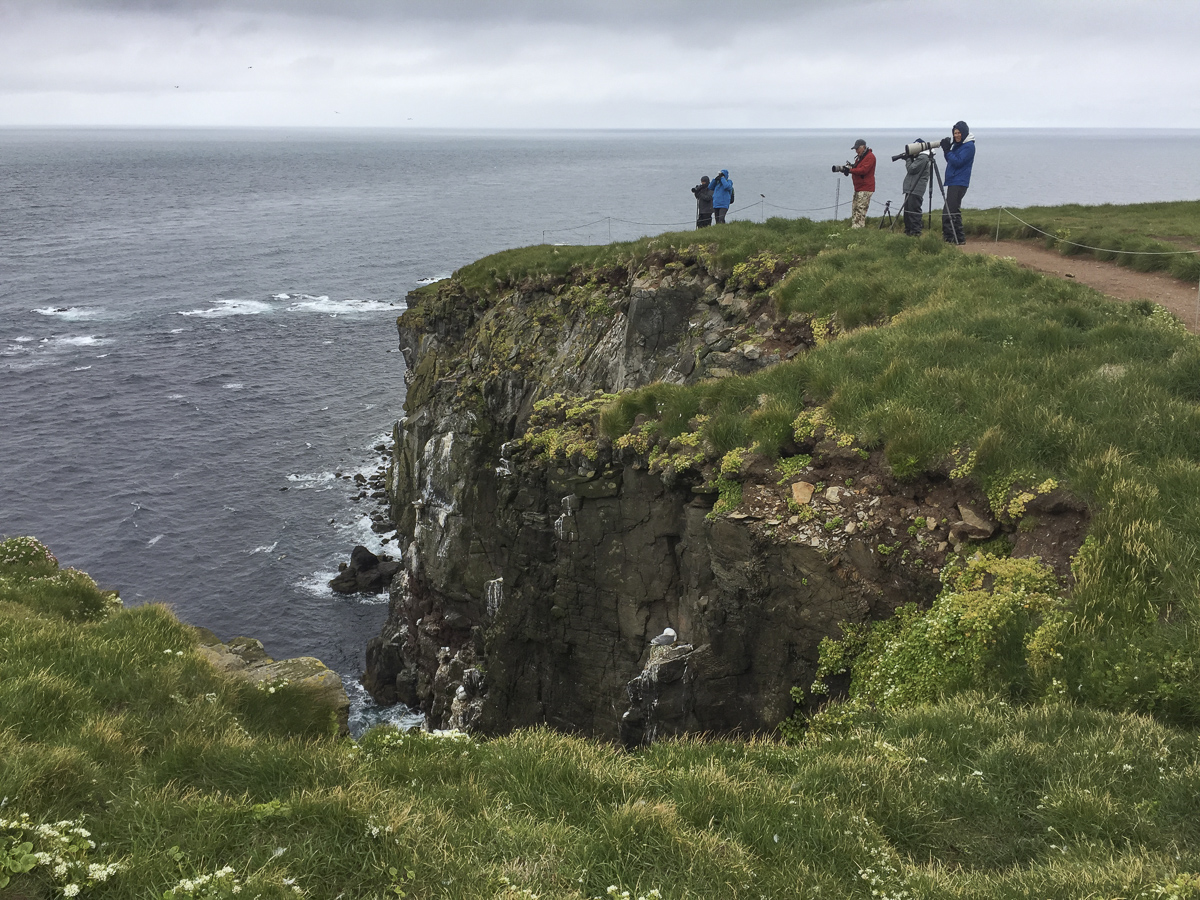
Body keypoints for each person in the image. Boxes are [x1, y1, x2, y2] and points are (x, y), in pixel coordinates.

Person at [940, 120, 975, 244]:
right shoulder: (959, 145)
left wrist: (947, 151)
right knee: (954, 210)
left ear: (964, 133)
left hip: (959, 181)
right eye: (955, 133)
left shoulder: (969, 146)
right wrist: (947, 151)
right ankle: (959, 238)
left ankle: (949, 239)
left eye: (959, 133)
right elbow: (951, 160)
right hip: (955, 180)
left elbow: (958, 162)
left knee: (948, 212)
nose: (957, 135)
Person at [902, 139, 932, 236]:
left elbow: (912, 169)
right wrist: (910, 158)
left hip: (916, 188)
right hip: (911, 187)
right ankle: (909, 231)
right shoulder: (920, 157)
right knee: (908, 211)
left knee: (913, 211)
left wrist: (908, 159)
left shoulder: (923, 157)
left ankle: (915, 232)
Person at [845, 139, 876, 229]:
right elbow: (858, 168)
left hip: (866, 187)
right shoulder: (861, 157)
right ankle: (855, 227)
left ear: (864, 147)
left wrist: (850, 170)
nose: (856, 151)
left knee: (860, 209)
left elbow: (863, 170)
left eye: (857, 148)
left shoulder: (870, 157)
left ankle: (859, 228)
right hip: (859, 187)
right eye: (855, 149)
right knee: (855, 208)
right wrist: (850, 168)